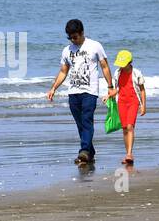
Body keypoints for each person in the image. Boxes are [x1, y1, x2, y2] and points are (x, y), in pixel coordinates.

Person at [46, 19, 114, 165]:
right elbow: (63, 72)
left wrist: (110, 86)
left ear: (82, 33)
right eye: (70, 37)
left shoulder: (95, 46)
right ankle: (90, 152)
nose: (73, 40)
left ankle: (83, 150)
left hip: (90, 91)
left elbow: (105, 66)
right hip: (73, 92)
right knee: (80, 124)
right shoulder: (67, 50)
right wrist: (53, 88)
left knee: (87, 121)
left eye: (75, 37)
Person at [106, 49, 146, 166]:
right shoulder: (117, 73)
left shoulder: (136, 73)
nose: (122, 67)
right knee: (124, 128)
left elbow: (142, 90)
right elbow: (117, 89)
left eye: (124, 65)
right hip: (121, 102)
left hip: (133, 101)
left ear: (130, 63)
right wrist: (108, 95)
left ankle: (129, 154)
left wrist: (143, 105)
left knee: (130, 126)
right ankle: (127, 153)